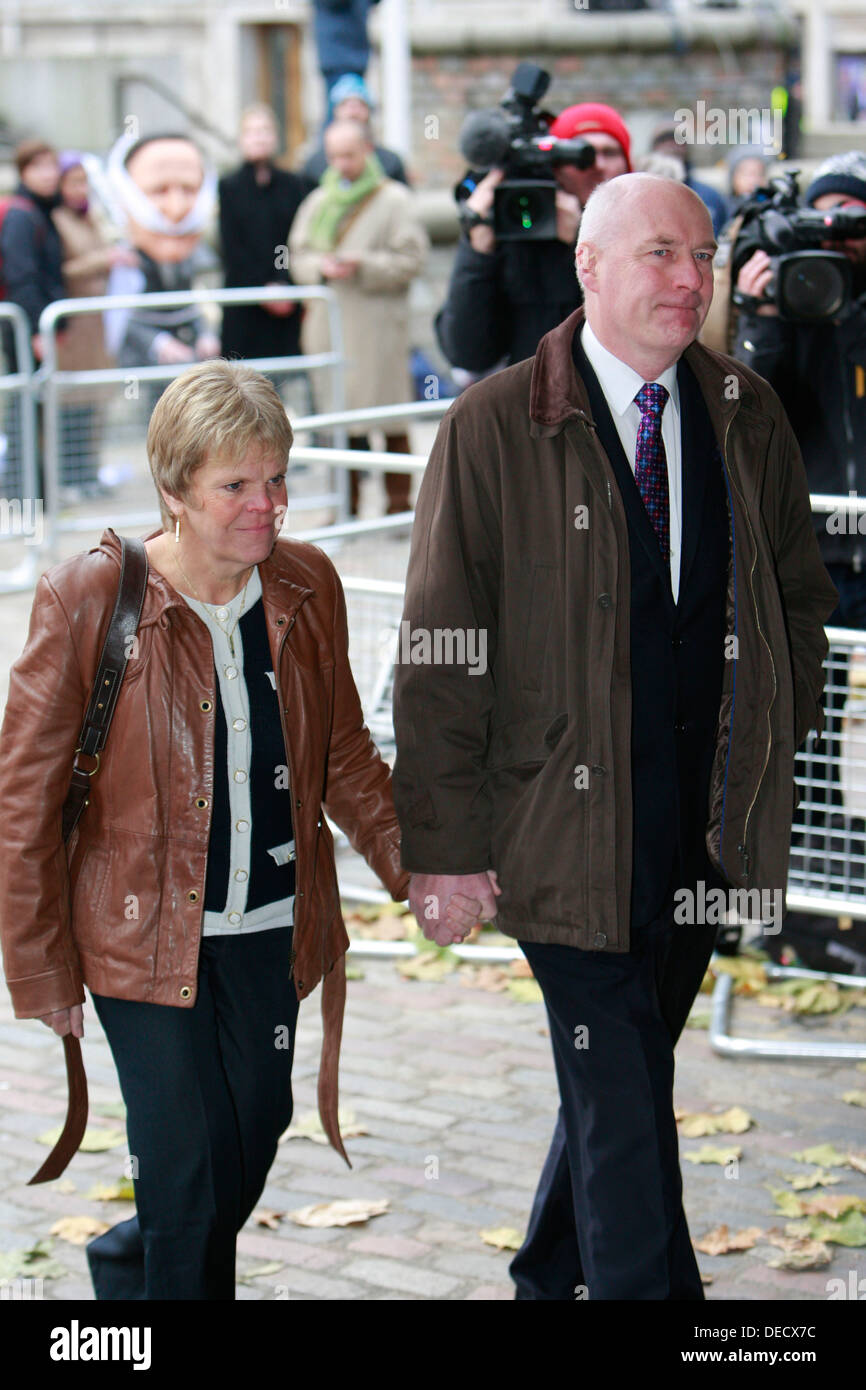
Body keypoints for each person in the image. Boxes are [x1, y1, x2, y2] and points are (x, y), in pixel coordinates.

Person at [392, 173, 837, 1299]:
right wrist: (440, 846)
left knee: (620, 1081)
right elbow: (440, 646)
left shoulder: (743, 409)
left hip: (700, 830)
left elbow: (794, 602)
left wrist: (779, 748)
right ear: (587, 268)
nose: (689, 278)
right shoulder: (494, 423)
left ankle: (547, 1274)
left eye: (700, 253)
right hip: (557, 832)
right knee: (624, 1098)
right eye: (657, 254)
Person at [0, 359, 409, 1299]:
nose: (266, 505)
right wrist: (40, 968)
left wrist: (414, 868)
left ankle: (124, 1266)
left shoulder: (305, 586)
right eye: (235, 485)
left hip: (267, 926)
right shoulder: (91, 600)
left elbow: (342, 751)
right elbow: (23, 804)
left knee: (250, 1133)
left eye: (276, 479)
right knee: (184, 1172)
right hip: (137, 939)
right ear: (175, 490)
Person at [733, 149, 866, 969]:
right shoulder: (789, 301)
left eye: (857, 224)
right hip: (813, 555)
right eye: (829, 222)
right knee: (806, 734)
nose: (842, 244)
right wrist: (766, 317)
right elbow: (742, 409)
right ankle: (800, 918)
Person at [289, 119, 428, 516]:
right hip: (330, 328)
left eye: (348, 154)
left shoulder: (395, 200)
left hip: (377, 326)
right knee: (338, 418)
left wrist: (362, 264)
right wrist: (321, 267)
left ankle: (399, 505)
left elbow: (411, 259)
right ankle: (343, 506)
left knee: (390, 415)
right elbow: (296, 256)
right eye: (333, 156)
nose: (341, 164)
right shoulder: (318, 202)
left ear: (366, 150)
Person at [434, 101, 631, 374]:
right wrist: (477, 251)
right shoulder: (514, 232)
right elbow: (468, 353)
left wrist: (579, 244)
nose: (596, 165)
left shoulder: (650, 231)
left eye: (609, 152)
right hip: (530, 406)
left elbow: (634, 333)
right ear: (556, 166)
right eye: (582, 155)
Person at [52, 151, 140, 497]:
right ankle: (70, 479)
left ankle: (89, 473)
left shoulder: (90, 219)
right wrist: (102, 260)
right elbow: (64, 269)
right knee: (73, 405)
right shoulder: (58, 220)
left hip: (99, 327)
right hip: (73, 329)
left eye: (83, 181)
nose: (81, 189)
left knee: (94, 405)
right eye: (73, 182)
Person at [103, 132, 220, 371]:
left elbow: (195, 304)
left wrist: (206, 333)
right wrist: (158, 343)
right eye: (158, 190)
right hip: (140, 371)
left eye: (189, 189)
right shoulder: (122, 261)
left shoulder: (196, 254)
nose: (176, 209)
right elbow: (120, 318)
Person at [218, 104, 308, 365]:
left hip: (285, 301)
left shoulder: (292, 184)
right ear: (241, 139)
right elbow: (232, 247)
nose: (259, 137)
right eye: (252, 131)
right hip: (246, 301)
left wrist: (283, 283)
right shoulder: (229, 187)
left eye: (265, 130)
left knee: (285, 378)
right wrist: (262, 289)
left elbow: (294, 240)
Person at [0, 139, 65, 498]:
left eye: (51, 165)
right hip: (26, 327)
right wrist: (38, 329)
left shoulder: (39, 211)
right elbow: (22, 277)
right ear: (24, 172)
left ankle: (28, 486)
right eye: (38, 167)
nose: (48, 174)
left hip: (33, 325)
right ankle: (20, 488)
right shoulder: (24, 215)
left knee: (33, 403)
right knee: (25, 403)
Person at [300, 74, 408, 193]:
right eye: (345, 104)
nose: (353, 111)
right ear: (334, 111)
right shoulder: (314, 166)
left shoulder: (390, 163)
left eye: (360, 104)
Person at [648, 123, 728, 237]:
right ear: (653, 148)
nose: (671, 146)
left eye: (678, 141)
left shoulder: (709, 198)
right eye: (664, 140)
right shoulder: (640, 196)